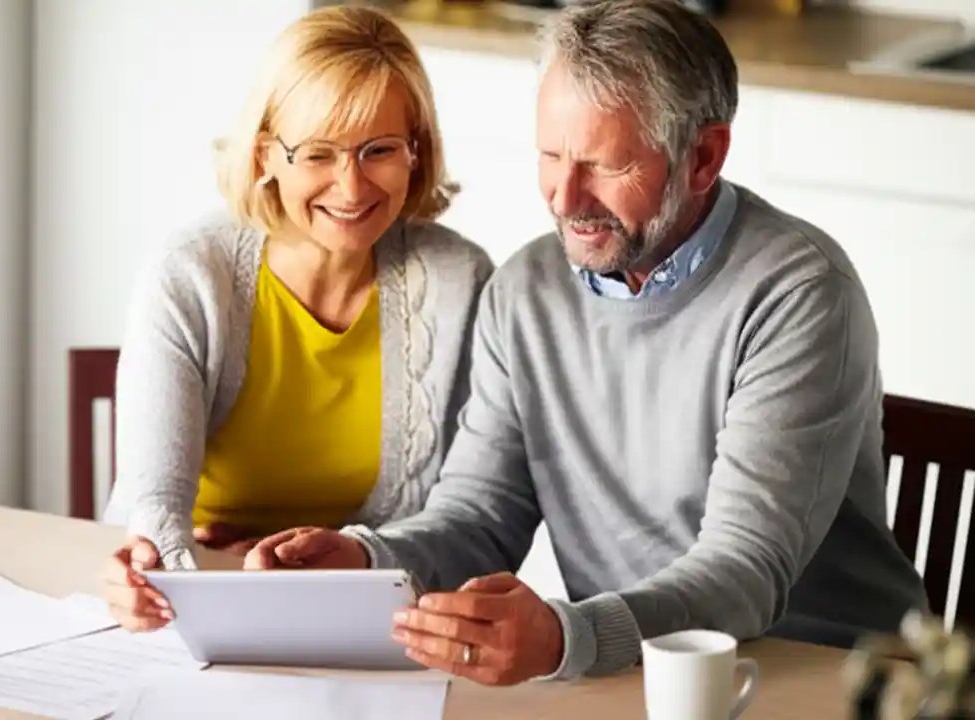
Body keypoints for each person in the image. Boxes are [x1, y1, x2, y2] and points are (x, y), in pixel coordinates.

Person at [244, 0, 926, 686]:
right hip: (632, 675)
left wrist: (570, 636)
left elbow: (745, 568)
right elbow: (478, 518)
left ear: (704, 157)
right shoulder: (526, 291)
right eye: (550, 155)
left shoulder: (798, 293)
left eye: (605, 165)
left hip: (824, 673)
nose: (566, 197)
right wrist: (364, 560)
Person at [100, 6, 493, 632]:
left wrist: (342, 570)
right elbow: (154, 506)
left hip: (368, 616)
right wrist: (177, 576)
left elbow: (473, 515)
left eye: (379, 150)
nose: (351, 185)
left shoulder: (461, 282)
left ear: (415, 152)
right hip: (190, 600)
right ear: (265, 156)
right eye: (317, 153)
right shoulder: (188, 275)